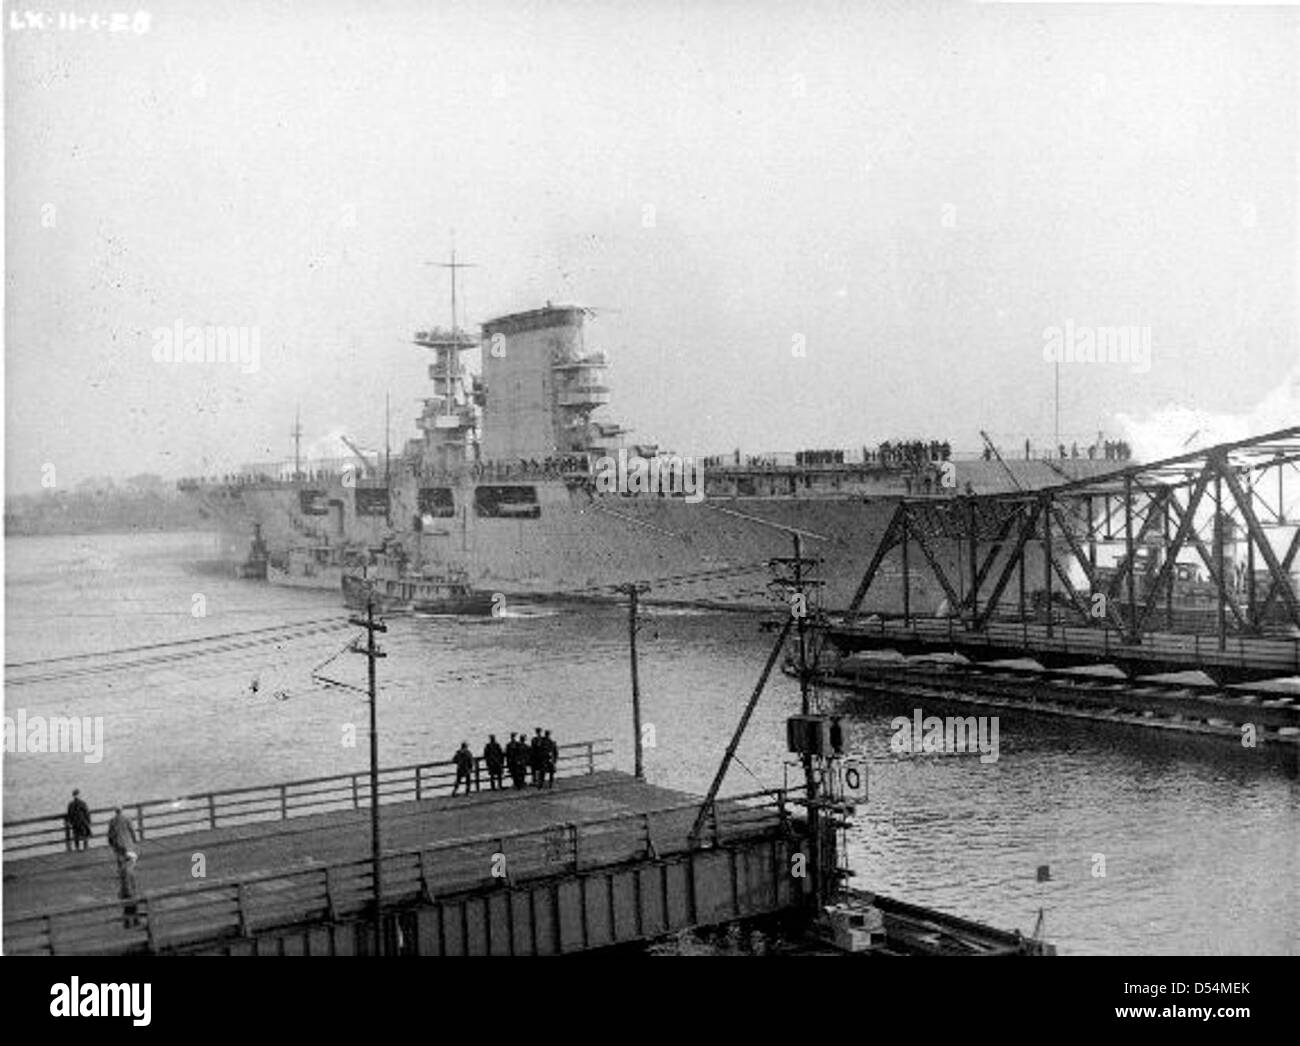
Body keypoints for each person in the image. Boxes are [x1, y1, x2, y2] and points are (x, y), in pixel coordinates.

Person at [118, 850, 141, 929]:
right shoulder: (128, 870)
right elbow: (128, 883)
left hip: (127, 892)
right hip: (129, 893)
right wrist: (131, 893)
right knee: (131, 908)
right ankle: (133, 922)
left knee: (129, 908)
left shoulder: (125, 869)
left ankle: (131, 922)